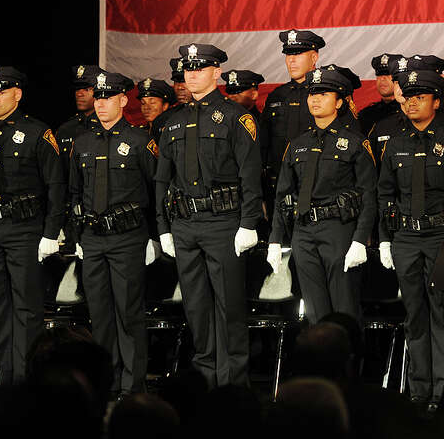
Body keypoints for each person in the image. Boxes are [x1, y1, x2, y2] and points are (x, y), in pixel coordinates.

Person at [154, 43, 263, 389]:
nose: (192, 75)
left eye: (200, 68)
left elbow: (250, 174)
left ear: (217, 73)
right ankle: (205, 384)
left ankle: (233, 388)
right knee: (197, 310)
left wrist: (248, 223)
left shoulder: (234, 117)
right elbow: (162, 179)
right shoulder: (173, 121)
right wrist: (163, 228)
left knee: (229, 309)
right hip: (185, 225)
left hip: (223, 223)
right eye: (188, 69)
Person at [377, 68, 444, 409]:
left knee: (443, 313)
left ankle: (443, 392)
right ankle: (418, 390)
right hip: (407, 238)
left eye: (420, 97)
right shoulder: (395, 143)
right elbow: (385, 194)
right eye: (408, 97)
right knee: (414, 314)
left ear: (437, 101)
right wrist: (384, 239)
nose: (412, 103)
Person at [0, 66, 67, 385]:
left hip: (25, 229)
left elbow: (56, 185)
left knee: (27, 308)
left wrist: (50, 232)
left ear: (17, 94)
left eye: (2, 92)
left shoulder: (36, 132)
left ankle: (26, 376)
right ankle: (4, 375)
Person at [67, 70, 160, 397]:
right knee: (100, 315)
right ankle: (105, 382)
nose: (101, 104)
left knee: (128, 313)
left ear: (123, 100)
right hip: (93, 238)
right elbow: (74, 192)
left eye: (108, 98)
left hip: (128, 237)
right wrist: (76, 236)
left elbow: (155, 192)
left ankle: (132, 385)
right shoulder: (83, 142)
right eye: (99, 98)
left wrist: (155, 236)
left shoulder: (139, 141)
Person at [267, 67, 377, 324]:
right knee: (315, 312)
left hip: (339, 230)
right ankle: (322, 363)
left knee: (344, 311)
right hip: (303, 231)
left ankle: (349, 363)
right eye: (312, 94)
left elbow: (368, 196)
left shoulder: (354, 143)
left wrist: (360, 240)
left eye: (324, 94)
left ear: (339, 102)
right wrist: (275, 239)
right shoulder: (297, 144)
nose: (315, 99)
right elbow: (283, 195)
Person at [260, 29, 358, 195]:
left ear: (314, 57)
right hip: (279, 186)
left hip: (321, 186)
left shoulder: (330, 95)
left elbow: (351, 143)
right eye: (288, 54)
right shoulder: (276, 96)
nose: (291, 60)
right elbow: (263, 146)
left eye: (298, 54)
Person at [55, 64, 102, 158]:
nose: (79, 94)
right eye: (77, 89)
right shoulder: (65, 130)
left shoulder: (106, 127)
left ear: (99, 91)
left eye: (86, 89)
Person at [359, 53, 405, 134]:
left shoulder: (411, 110)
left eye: (388, 74)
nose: (382, 78)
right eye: (379, 74)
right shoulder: (366, 114)